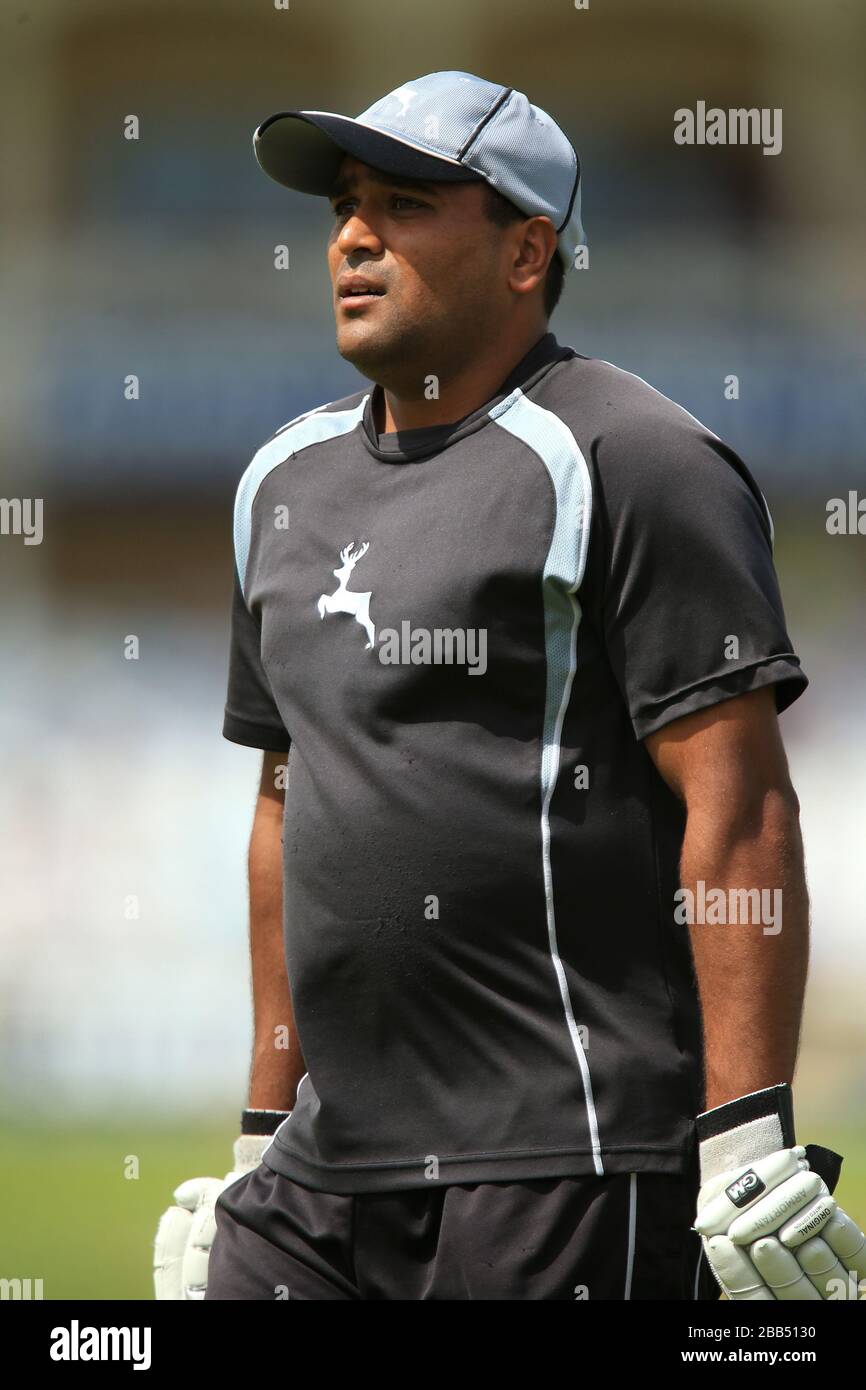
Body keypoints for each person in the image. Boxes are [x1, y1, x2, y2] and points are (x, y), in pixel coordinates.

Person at [154, 71, 864, 1301]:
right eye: (344, 206)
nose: (352, 236)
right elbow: (284, 809)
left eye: (403, 202)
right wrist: (257, 1134)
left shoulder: (636, 459)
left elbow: (739, 807)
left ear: (527, 248)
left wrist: (746, 1132)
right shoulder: (277, 481)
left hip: (568, 1161)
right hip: (319, 1182)